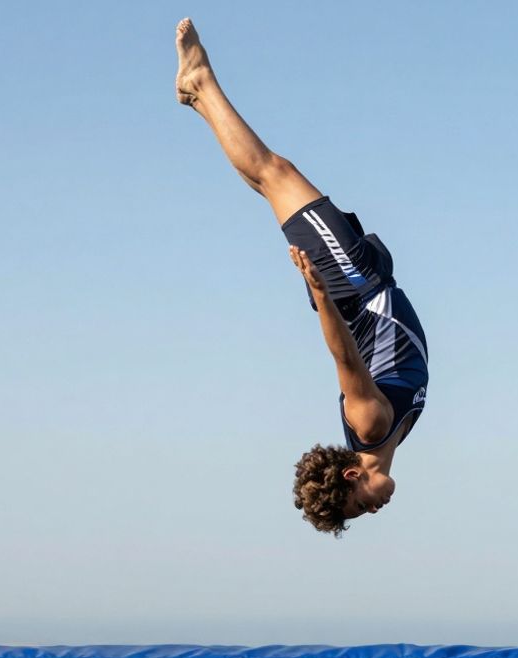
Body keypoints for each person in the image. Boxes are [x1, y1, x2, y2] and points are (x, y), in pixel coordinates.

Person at [175, 18, 428, 536]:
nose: (369, 512)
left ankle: (201, 83)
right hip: (357, 285)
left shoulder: (371, 426)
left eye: (356, 507)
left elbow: (344, 358)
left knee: (276, 173)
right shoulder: (387, 438)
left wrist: (320, 290)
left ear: (353, 474)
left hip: (350, 284)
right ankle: (198, 99)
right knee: (270, 183)